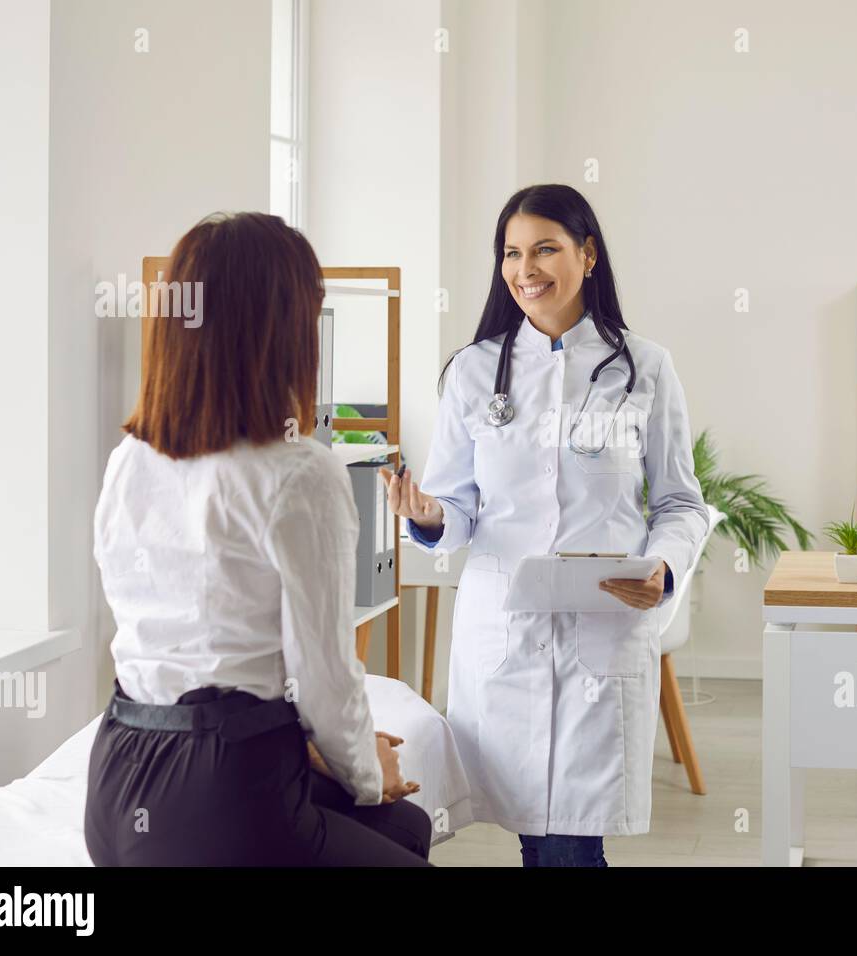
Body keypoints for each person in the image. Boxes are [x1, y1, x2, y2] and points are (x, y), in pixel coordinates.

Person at [86, 211, 431, 866]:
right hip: (221, 797)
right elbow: (325, 675)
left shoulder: (130, 459)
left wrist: (317, 755)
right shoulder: (301, 471)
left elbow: (188, 660)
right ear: (286, 331)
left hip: (119, 774)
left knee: (405, 829)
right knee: (401, 828)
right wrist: (367, 774)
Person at [382, 184, 708, 866]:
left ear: (588, 256)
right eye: (511, 253)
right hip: (506, 630)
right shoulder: (475, 372)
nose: (525, 268)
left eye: (545, 249)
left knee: (565, 839)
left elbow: (679, 502)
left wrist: (666, 567)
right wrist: (428, 514)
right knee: (547, 836)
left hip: (604, 624)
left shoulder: (644, 368)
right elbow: (457, 508)